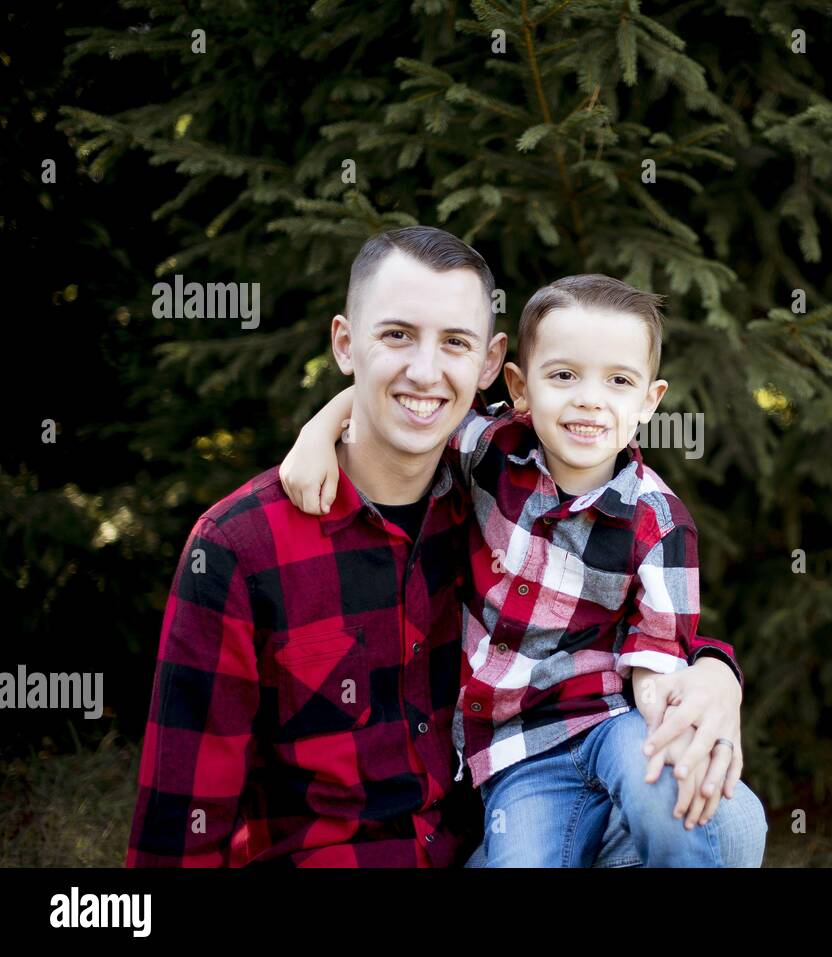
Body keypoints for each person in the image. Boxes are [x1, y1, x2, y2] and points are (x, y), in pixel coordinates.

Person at [126, 226, 763, 866]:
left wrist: (715, 671)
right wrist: (323, 423)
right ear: (345, 345)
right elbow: (181, 814)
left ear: (488, 364)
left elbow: (622, 613)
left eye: (454, 343)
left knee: (725, 818)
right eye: (397, 335)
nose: (425, 370)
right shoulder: (242, 546)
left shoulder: (494, 495)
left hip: (480, 840)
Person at [281, 273, 766, 866]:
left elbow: (655, 669)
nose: (590, 399)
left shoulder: (661, 523)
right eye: (563, 375)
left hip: (613, 720)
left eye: (618, 381)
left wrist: (697, 705)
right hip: (519, 751)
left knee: (676, 795)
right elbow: (401, 407)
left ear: (649, 401)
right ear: (519, 386)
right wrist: (318, 430)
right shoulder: (490, 452)